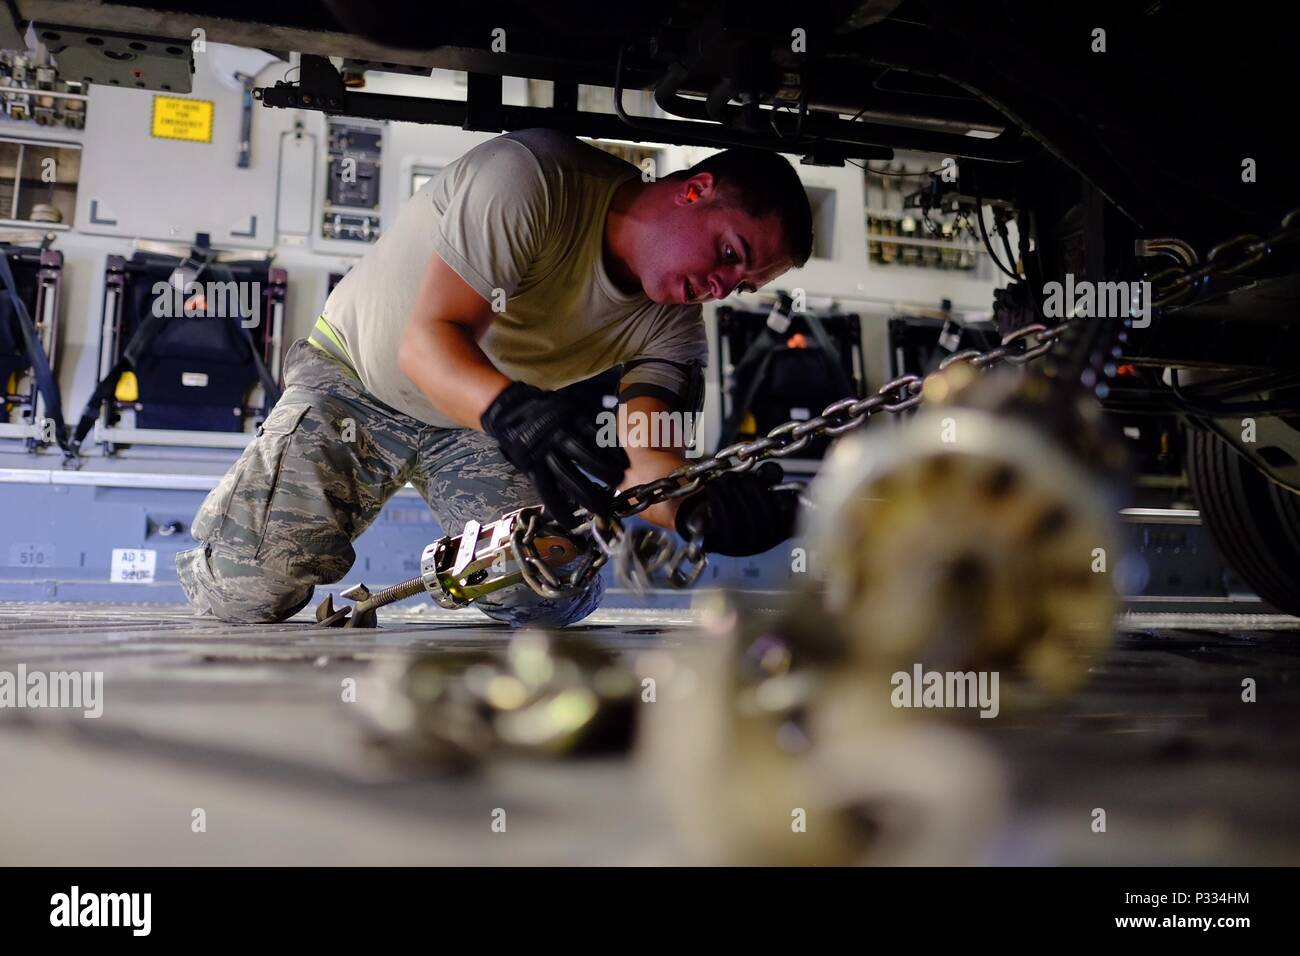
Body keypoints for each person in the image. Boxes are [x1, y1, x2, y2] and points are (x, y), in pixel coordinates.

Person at [178, 128, 813, 625]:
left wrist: (704, 512)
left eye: (744, 284)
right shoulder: (533, 179)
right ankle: (228, 540)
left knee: (547, 596)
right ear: (695, 189)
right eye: (731, 253)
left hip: (479, 423)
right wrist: (516, 413)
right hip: (357, 379)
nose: (723, 285)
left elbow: (651, 460)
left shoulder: (673, 325)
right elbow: (426, 346)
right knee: (249, 592)